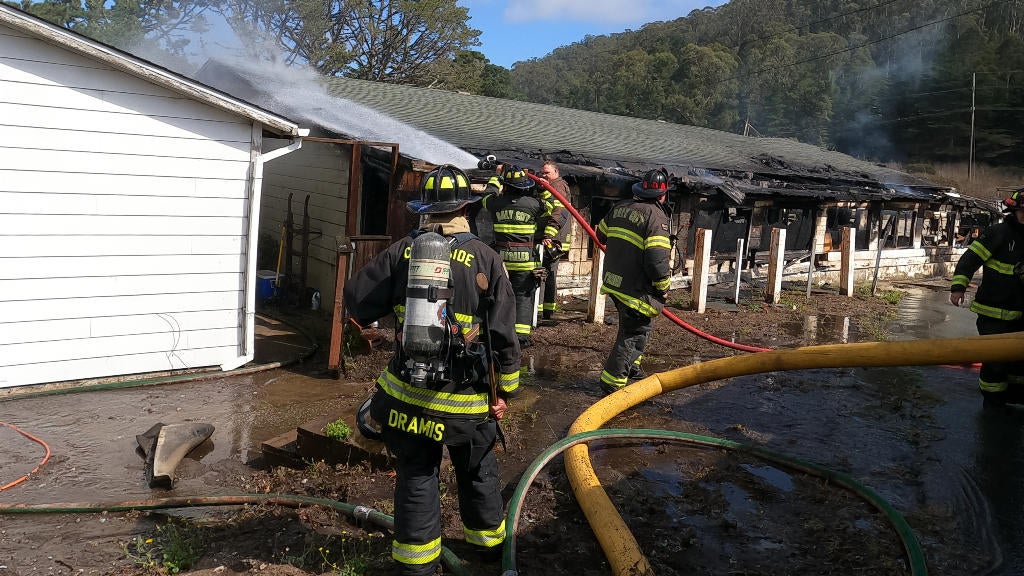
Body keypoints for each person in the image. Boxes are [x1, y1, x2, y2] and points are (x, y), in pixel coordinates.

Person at [343, 165, 521, 576]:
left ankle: (416, 565)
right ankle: (488, 548)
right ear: (466, 207)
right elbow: (504, 335)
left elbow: (356, 299)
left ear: (425, 208)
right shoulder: (487, 259)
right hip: (466, 402)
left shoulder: (405, 250)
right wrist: (503, 393)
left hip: (408, 398)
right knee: (477, 470)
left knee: (417, 475)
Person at [596, 168, 673, 395]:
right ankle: (612, 384)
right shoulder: (657, 218)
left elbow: (600, 235)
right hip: (636, 287)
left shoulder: (619, 208)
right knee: (633, 333)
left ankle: (631, 368)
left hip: (614, 282)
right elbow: (657, 260)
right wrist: (663, 287)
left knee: (640, 326)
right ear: (663, 195)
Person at [950, 188, 1024, 406]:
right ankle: (993, 403)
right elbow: (969, 259)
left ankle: (1017, 399)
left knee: (1020, 362)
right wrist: (958, 287)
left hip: (1022, 315)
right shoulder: (998, 234)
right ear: (1016, 210)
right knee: (995, 362)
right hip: (993, 314)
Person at [481, 165, 557, 348]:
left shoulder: (497, 203)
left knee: (499, 296)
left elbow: (485, 198)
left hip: (502, 262)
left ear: (505, 185)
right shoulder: (532, 204)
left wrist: (496, 177)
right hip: (525, 263)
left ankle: (496, 333)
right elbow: (550, 206)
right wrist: (542, 187)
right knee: (523, 298)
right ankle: (521, 338)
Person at [535, 161, 573, 321]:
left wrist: (548, 235)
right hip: (554, 238)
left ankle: (540, 311)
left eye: (547, 173)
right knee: (549, 274)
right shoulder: (551, 186)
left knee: (544, 274)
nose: (544, 176)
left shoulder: (558, 186)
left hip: (552, 239)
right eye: (542, 173)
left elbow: (558, 212)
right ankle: (547, 311)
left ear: (556, 172)